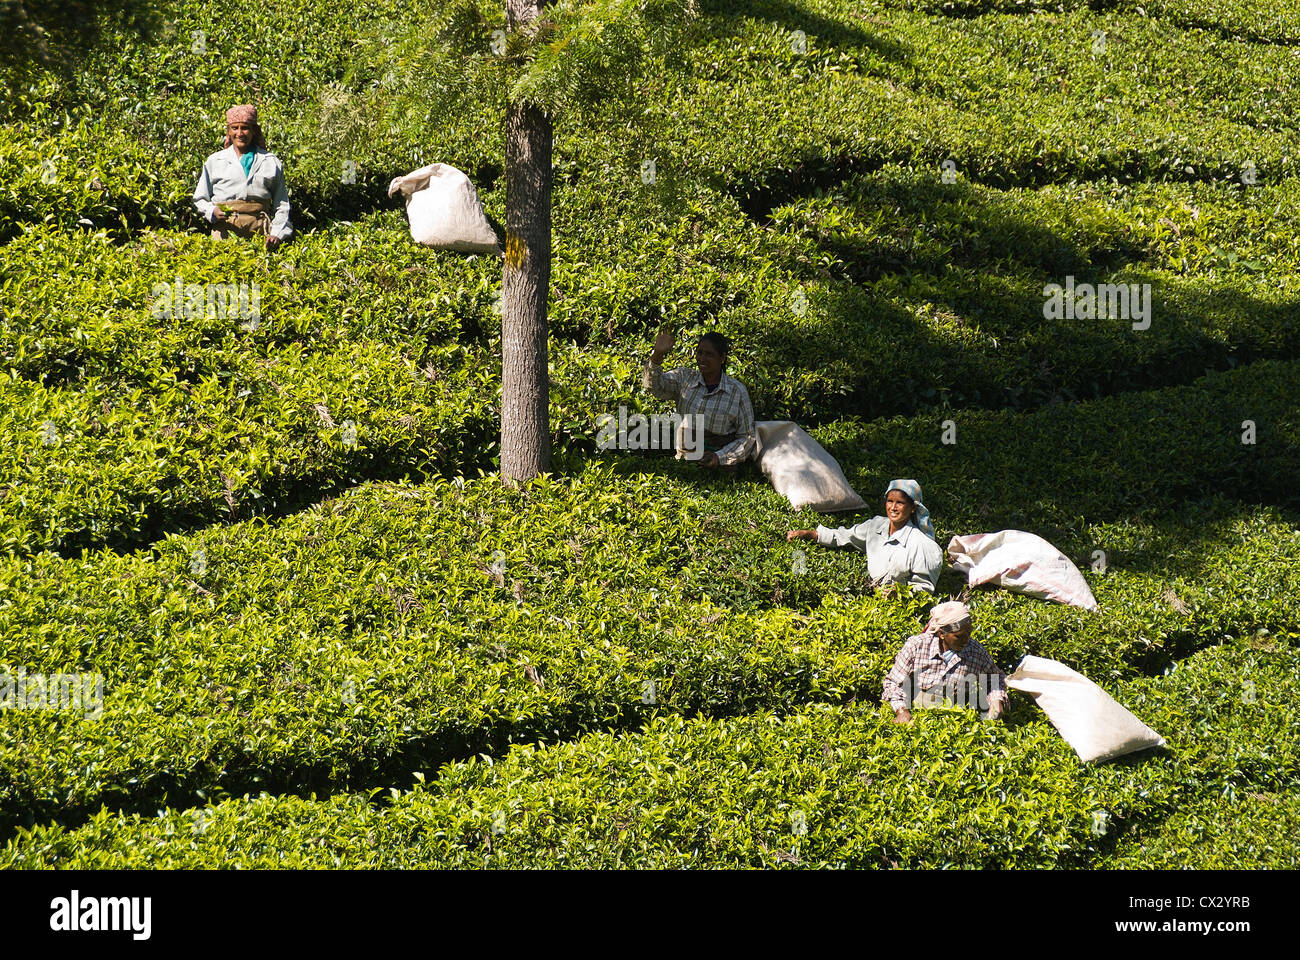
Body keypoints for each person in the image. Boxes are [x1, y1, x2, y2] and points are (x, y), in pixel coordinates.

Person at [787, 479, 943, 592]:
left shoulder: (922, 545)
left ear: (913, 508)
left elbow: (924, 589)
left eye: (900, 503)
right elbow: (845, 535)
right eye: (890, 501)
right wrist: (812, 534)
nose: (893, 508)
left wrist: (900, 594)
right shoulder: (876, 526)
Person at [643, 327, 756, 469]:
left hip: (720, 469)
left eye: (709, 354)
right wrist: (657, 355)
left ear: (722, 358)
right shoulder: (685, 378)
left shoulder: (736, 391)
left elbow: (747, 437)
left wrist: (719, 457)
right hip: (685, 465)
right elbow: (654, 386)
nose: (702, 358)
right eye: (700, 353)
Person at [882, 600, 1009, 724]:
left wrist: (996, 700)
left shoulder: (975, 651)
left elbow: (995, 678)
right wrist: (902, 711)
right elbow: (894, 682)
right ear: (942, 634)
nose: (966, 640)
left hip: (956, 719)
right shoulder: (917, 646)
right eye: (959, 636)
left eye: (969, 634)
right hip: (917, 713)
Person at [193, 104, 292, 250]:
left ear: (254, 131)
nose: (240, 133)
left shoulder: (270, 162)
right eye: (235, 128)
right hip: (224, 234)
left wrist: (276, 234)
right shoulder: (215, 161)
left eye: (245, 128)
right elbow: (200, 199)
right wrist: (211, 211)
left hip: (261, 233)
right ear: (229, 131)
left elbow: (282, 205)